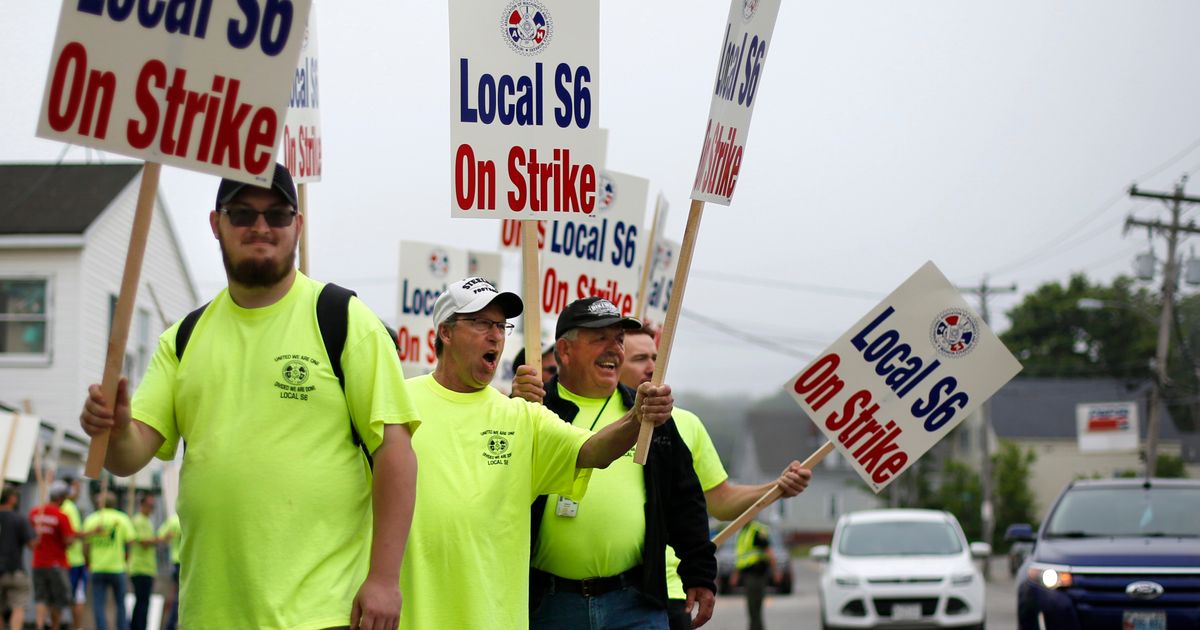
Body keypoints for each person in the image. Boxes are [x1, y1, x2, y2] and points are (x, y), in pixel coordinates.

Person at [78, 162, 420, 629]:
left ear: (298, 225)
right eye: (242, 213)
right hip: (210, 615)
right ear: (216, 224)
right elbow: (127, 457)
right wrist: (115, 429)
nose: (261, 226)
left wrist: (384, 578)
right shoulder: (183, 338)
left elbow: (395, 451)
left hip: (320, 614)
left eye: (277, 214)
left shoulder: (343, 319)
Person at [398, 277, 676, 629]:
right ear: (446, 332)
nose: (495, 336)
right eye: (482, 323)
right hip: (411, 613)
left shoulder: (521, 415)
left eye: (501, 326)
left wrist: (637, 416)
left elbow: (593, 450)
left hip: (494, 618)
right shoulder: (398, 401)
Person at [512, 297, 716, 630]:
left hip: (634, 603)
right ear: (564, 350)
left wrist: (700, 573)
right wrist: (514, 405)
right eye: (600, 338)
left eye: (619, 339)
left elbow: (684, 497)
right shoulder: (533, 408)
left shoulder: (648, 413)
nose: (614, 349)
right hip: (548, 604)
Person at [618, 327, 812, 630]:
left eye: (656, 357)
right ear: (613, 363)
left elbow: (720, 501)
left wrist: (777, 488)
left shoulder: (687, 424)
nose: (652, 366)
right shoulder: (592, 421)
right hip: (602, 592)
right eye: (640, 358)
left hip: (669, 590)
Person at [80, 494, 133, 630]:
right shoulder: (122, 518)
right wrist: (126, 557)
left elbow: (85, 545)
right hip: (117, 567)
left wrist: (88, 562)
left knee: (98, 604)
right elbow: (130, 541)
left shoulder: (91, 519)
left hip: (97, 567)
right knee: (120, 603)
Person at [29, 480, 76, 630]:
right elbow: (68, 540)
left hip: (38, 563)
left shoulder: (35, 513)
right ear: (61, 498)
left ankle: (40, 625)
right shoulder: (61, 516)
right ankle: (54, 627)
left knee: (41, 598)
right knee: (58, 600)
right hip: (57, 564)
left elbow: (30, 537)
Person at [730, 521, 777, 630]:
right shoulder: (743, 531)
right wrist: (736, 574)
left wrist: (775, 572)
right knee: (752, 608)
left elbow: (769, 552)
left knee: (755, 607)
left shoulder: (756, 531)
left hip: (756, 575)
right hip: (748, 576)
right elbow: (741, 556)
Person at [0, 485, 35, 630]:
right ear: (12, 499)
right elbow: (32, 544)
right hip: (15, 571)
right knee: (18, 607)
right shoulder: (19, 518)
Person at [128, 494, 157, 630]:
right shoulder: (139, 521)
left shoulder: (147, 521)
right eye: (149, 505)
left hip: (147, 568)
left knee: (142, 602)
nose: (151, 509)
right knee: (142, 602)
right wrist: (160, 539)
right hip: (140, 567)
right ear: (142, 505)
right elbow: (144, 542)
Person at [60, 478, 86, 630]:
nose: (79, 491)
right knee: (77, 597)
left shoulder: (64, 506)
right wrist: (93, 532)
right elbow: (73, 533)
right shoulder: (69, 507)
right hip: (74, 561)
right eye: (77, 487)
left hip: (67, 560)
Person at [156, 512, 181, 630]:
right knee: (181, 597)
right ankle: (171, 625)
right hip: (187, 563)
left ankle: (171, 625)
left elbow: (160, 536)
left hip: (176, 562)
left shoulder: (173, 521)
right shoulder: (191, 518)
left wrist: (169, 538)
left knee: (178, 596)